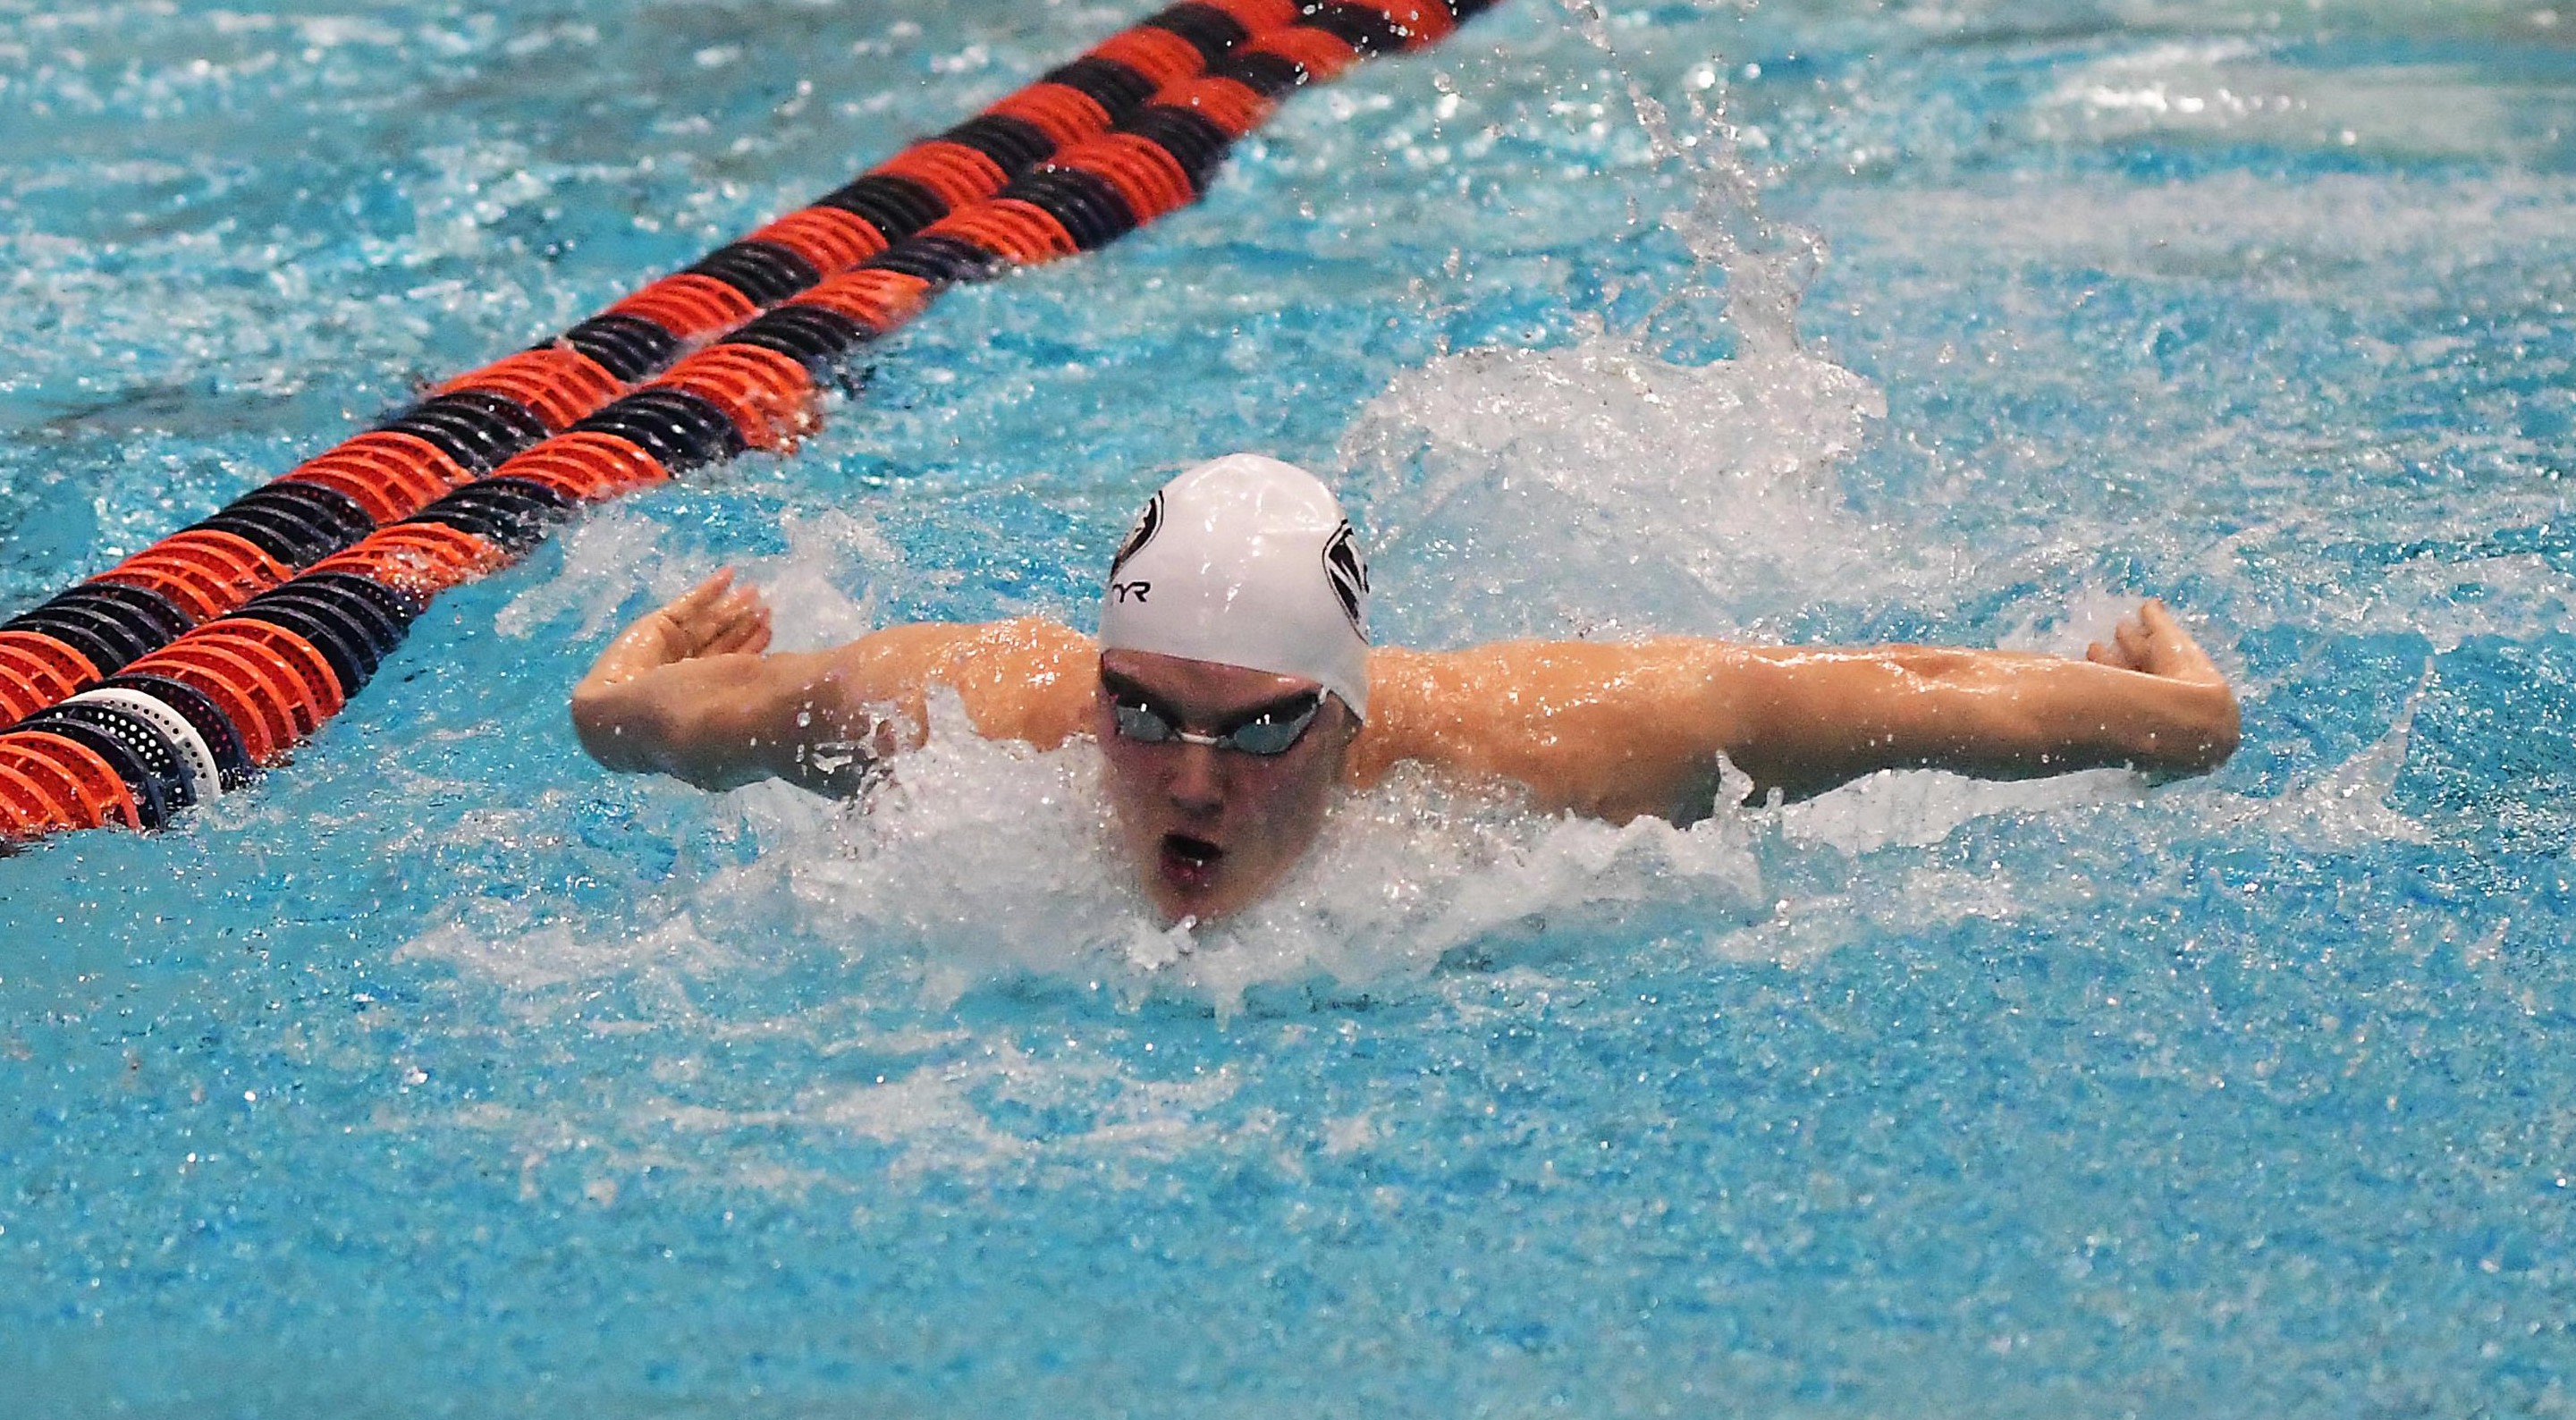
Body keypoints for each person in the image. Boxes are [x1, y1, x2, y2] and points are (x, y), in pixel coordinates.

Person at [571, 454, 2241, 923]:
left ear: (1349, 721)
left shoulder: (1563, 751)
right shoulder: (966, 711)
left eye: (1260, 727)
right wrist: (622, 687)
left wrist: (2176, 716)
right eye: (1143, 712)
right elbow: (662, 719)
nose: (1194, 778)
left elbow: (1898, 692)